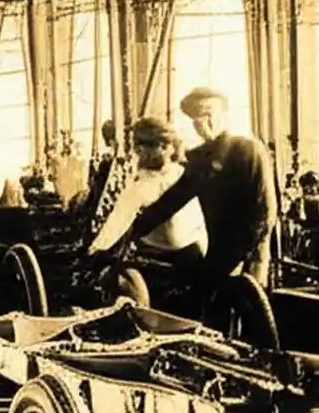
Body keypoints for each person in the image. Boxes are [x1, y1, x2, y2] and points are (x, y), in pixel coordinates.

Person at [109, 87, 278, 289]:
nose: (202, 121)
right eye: (196, 117)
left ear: (224, 113)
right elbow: (171, 201)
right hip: (217, 248)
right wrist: (128, 233)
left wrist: (237, 259)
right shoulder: (199, 158)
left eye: (208, 113)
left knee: (250, 307)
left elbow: (264, 212)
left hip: (251, 251)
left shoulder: (248, 150)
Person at [88, 116, 207, 261]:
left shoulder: (181, 174)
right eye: (138, 149)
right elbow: (120, 215)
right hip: (161, 251)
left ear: (168, 148)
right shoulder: (144, 179)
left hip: (187, 251)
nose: (138, 153)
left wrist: (99, 247)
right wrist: (99, 246)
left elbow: (200, 219)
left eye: (164, 147)